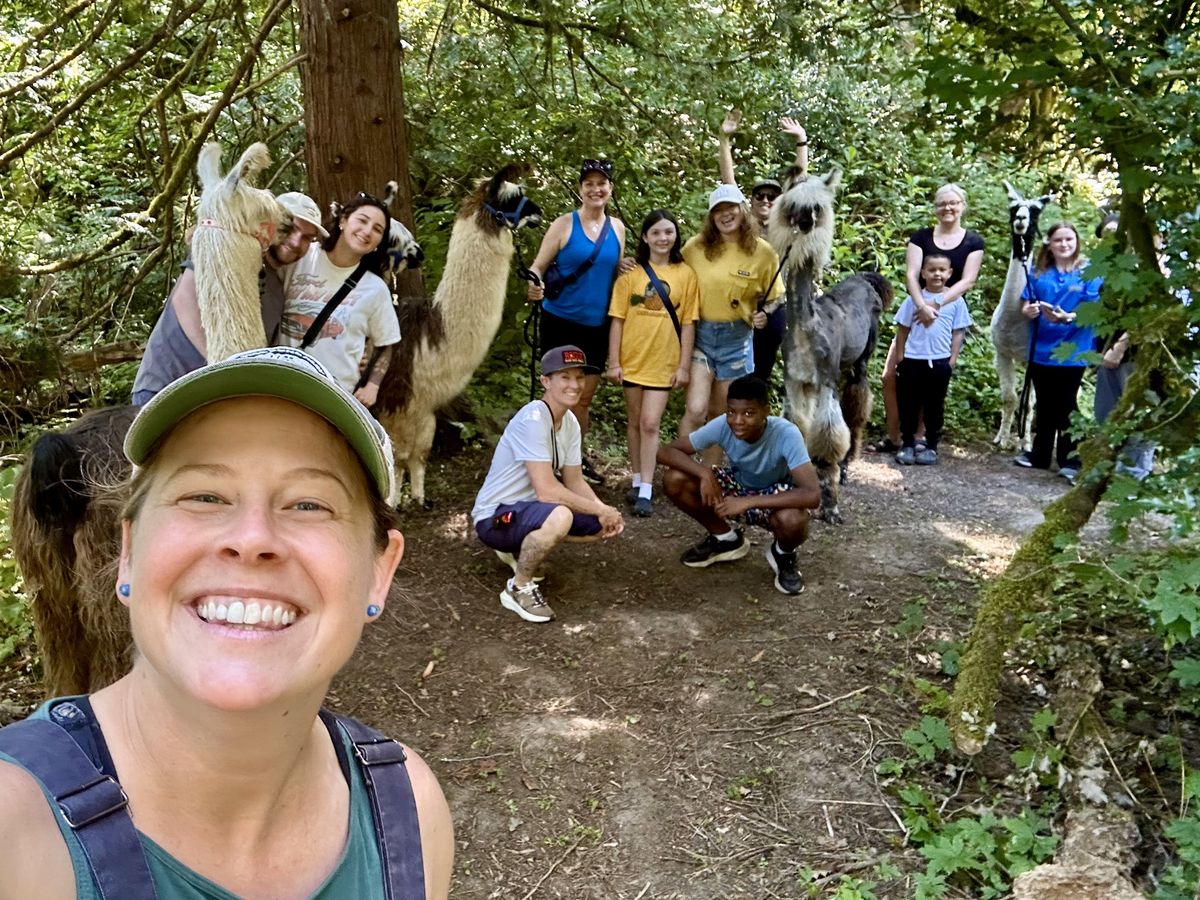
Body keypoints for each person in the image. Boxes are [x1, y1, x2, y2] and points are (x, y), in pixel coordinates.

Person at [0, 346, 454, 899]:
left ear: (378, 574)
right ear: (128, 552)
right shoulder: (12, 828)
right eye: (204, 495)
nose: (252, 538)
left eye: (309, 504)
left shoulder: (408, 814)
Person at [472, 346, 626, 623]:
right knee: (561, 515)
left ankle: (521, 547)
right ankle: (518, 587)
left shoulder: (570, 424)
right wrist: (598, 509)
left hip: (530, 509)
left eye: (579, 377)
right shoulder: (533, 418)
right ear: (546, 382)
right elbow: (547, 490)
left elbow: (574, 481)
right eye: (564, 377)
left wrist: (604, 510)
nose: (574, 385)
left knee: (597, 526)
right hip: (494, 516)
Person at [131, 191, 326, 405]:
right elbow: (184, 301)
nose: (297, 241)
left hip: (209, 400)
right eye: (293, 228)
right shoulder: (223, 244)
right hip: (165, 385)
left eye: (307, 237)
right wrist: (225, 369)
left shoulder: (277, 290)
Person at [657, 374, 819, 596]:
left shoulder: (786, 433)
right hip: (738, 487)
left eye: (749, 413)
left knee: (794, 519)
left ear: (766, 412)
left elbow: (812, 495)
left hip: (774, 496)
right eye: (732, 412)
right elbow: (666, 452)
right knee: (675, 479)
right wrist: (704, 473)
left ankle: (783, 553)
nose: (738, 420)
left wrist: (749, 502)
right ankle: (725, 538)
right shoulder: (723, 425)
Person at [871, 183, 984, 452]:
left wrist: (937, 304)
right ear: (935, 208)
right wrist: (921, 305)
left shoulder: (973, 241)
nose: (948, 208)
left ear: (962, 207)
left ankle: (919, 438)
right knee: (891, 374)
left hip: (947, 315)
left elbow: (968, 280)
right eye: (942, 203)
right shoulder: (921, 237)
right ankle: (896, 436)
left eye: (953, 203)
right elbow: (911, 274)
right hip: (916, 309)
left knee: (928, 381)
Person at [526, 159, 626, 455]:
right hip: (561, 321)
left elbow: (614, 271)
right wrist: (534, 284)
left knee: (583, 397)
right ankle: (544, 456)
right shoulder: (565, 224)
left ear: (610, 188)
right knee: (557, 393)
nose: (596, 189)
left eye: (601, 184)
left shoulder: (617, 228)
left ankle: (574, 459)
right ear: (580, 189)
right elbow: (538, 265)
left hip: (597, 326)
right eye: (589, 184)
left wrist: (628, 268)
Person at [680, 184, 783, 465]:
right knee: (695, 408)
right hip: (701, 334)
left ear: (742, 210)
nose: (726, 215)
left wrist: (764, 313)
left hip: (737, 341)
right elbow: (671, 276)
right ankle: (681, 468)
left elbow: (775, 297)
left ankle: (711, 473)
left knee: (720, 412)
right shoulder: (695, 247)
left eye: (731, 208)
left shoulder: (763, 253)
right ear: (712, 217)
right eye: (719, 211)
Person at [606, 209, 700, 518]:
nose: (663, 238)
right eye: (656, 232)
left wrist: (684, 366)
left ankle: (646, 488)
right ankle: (636, 478)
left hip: (664, 362)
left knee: (649, 422)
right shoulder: (629, 275)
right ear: (645, 237)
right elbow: (617, 321)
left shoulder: (686, 274)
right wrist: (615, 362)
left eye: (668, 232)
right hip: (632, 359)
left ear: (676, 237)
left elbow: (688, 324)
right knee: (634, 422)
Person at [717, 109, 810, 384]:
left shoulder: (785, 225)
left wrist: (801, 141)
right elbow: (728, 182)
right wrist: (724, 140)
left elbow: (799, 184)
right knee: (733, 372)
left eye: (772, 196)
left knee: (761, 372)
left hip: (773, 306)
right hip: (740, 302)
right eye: (760, 196)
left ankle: (754, 421)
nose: (766, 201)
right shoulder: (744, 223)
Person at [280, 192, 400, 407]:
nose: (367, 231)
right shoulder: (302, 256)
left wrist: (373, 385)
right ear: (343, 221)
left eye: (377, 229)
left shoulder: (376, 289)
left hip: (334, 395)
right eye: (362, 220)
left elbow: (386, 343)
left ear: (378, 242)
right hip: (279, 381)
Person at [1013, 221, 1102, 481]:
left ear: (1077, 243)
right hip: (1041, 347)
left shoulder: (1089, 271)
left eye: (1069, 240)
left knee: (1066, 403)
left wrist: (1068, 317)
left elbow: (1094, 309)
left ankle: (1071, 458)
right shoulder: (1039, 272)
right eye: (1058, 240)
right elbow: (1026, 302)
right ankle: (1040, 454)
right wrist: (1028, 310)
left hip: (1075, 347)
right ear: (1049, 245)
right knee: (1045, 401)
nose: (1064, 244)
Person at [893, 253, 972, 466]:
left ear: (950, 273)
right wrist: (900, 357)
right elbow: (902, 329)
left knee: (934, 406)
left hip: (939, 362)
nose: (937, 274)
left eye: (941, 270)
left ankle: (931, 446)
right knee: (908, 403)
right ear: (923, 273)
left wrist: (951, 360)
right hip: (912, 359)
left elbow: (958, 332)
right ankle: (907, 443)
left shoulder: (955, 301)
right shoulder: (914, 300)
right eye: (932, 270)